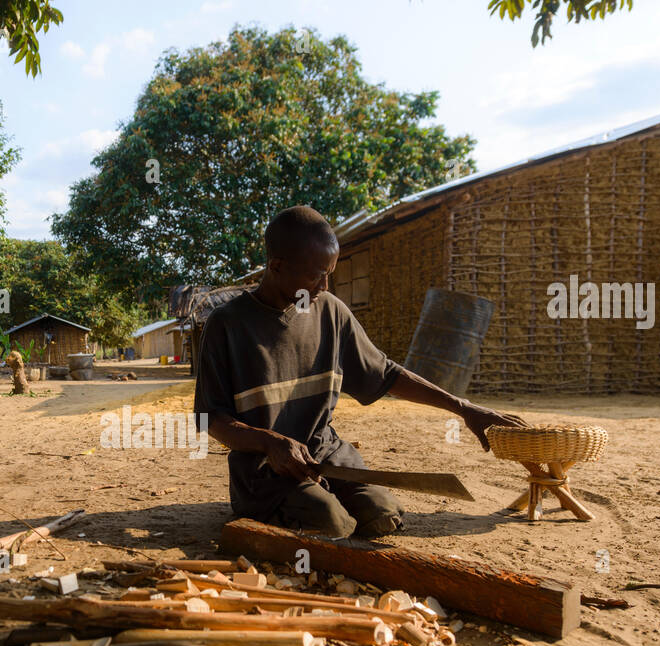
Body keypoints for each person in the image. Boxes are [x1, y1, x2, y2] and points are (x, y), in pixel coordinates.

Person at [193, 205, 526, 539]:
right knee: (330, 524)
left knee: (383, 515)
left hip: (326, 454)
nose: (325, 285)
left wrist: (463, 408)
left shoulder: (331, 312)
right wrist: (269, 443)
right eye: (315, 275)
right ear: (277, 266)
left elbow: (385, 374)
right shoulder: (228, 325)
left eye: (330, 273)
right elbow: (210, 419)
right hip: (265, 470)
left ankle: (327, 502)